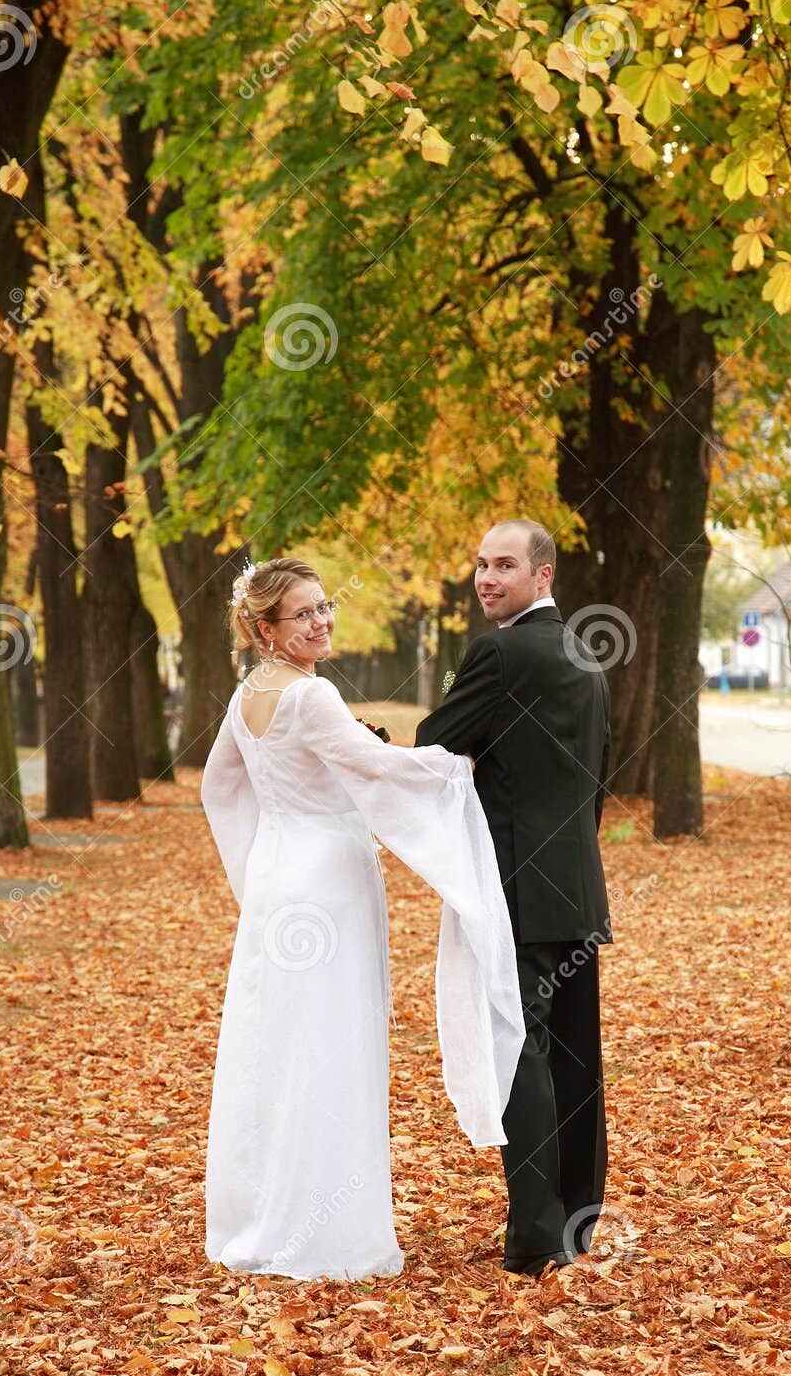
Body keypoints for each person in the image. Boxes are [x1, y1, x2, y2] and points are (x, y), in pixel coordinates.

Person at [199, 556, 525, 1282]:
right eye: (303, 614)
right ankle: (326, 1235)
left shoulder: (248, 693)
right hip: (330, 883)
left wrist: (252, 870)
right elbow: (371, 767)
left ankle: (263, 1218)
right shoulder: (309, 697)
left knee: (279, 1044)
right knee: (331, 1044)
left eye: (323, 607)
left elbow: (218, 786)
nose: (321, 622)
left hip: (280, 883)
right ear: (264, 629)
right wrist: (453, 767)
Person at [415, 520, 611, 1276]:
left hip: (515, 888)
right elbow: (597, 776)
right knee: (571, 1053)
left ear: (543, 575)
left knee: (517, 1050)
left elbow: (438, 743)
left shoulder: (498, 651)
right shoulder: (586, 655)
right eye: (480, 564)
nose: (487, 578)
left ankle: (534, 1234)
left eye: (504, 565)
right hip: (575, 884)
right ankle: (575, 1221)